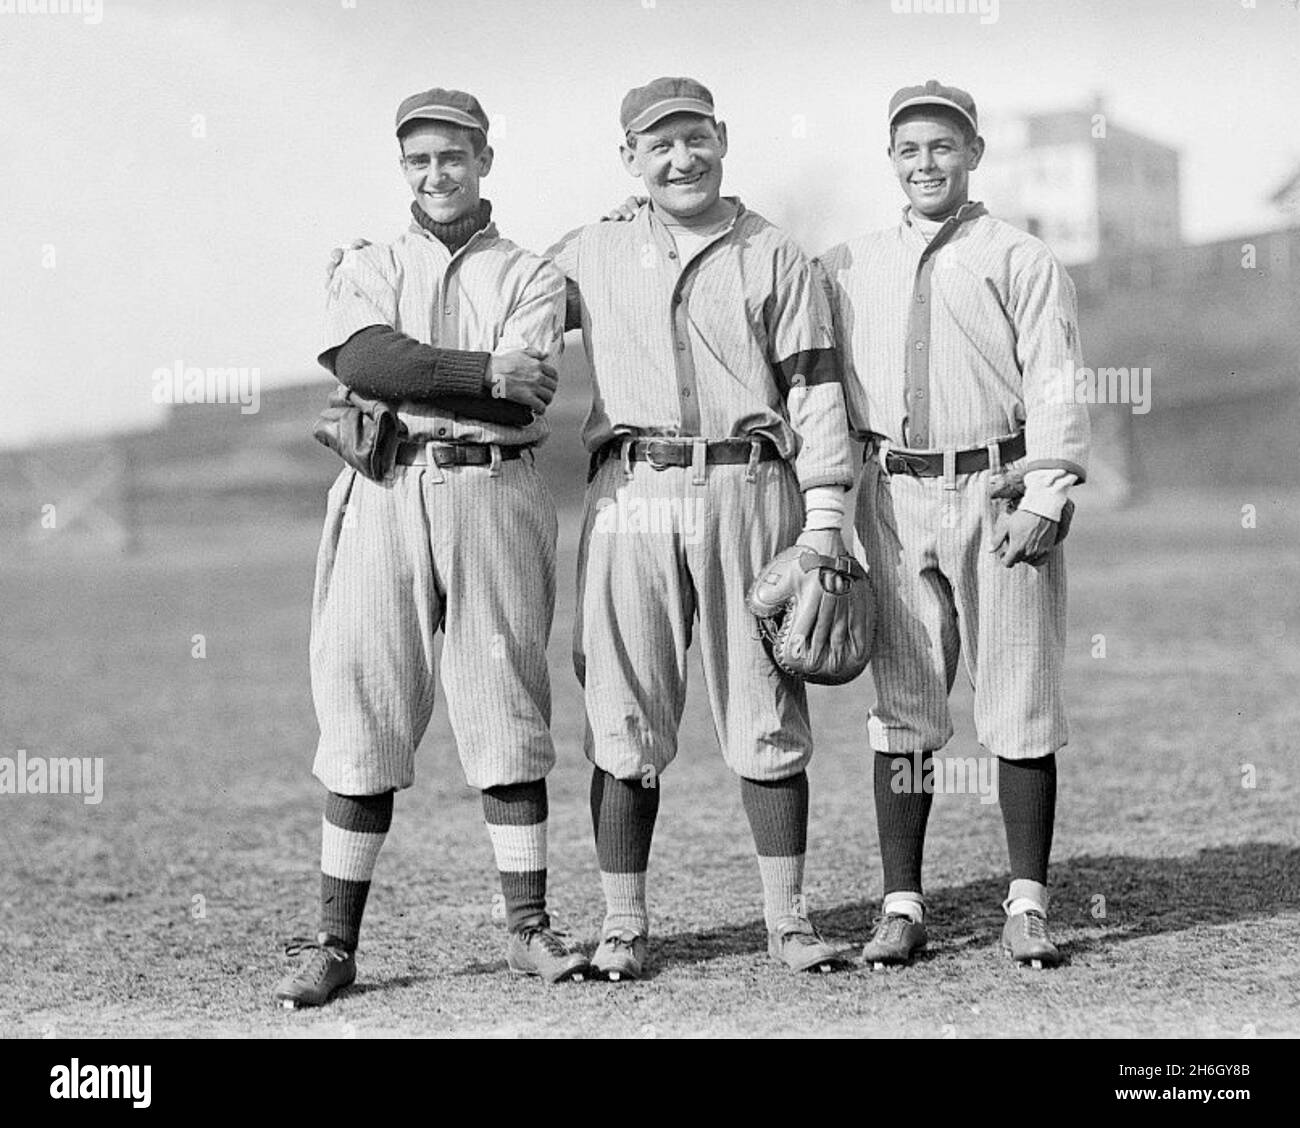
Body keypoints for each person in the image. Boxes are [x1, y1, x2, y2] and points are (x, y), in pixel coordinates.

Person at [275, 86, 586, 1008]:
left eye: (452, 156)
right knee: (362, 705)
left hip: (494, 490)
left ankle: (528, 928)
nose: (436, 174)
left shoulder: (530, 274)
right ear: (402, 168)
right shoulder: (368, 262)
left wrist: (464, 377)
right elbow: (367, 362)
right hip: (383, 488)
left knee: (505, 704)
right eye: (418, 160)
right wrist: (480, 366)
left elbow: (520, 398)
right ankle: (335, 943)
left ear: (484, 159)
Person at [547, 76, 858, 981]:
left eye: (695, 139)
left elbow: (818, 391)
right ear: (630, 161)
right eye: (658, 146)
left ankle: (787, 920)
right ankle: (622, 923)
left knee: (765, 707)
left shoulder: (774, 254)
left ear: (722, 138)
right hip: (633, 489)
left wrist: (825, 521)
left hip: (749, 487)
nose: (681, 159)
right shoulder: (589, 251)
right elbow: (502, 309)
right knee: (623, 712)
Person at [817, 80, 1090, 969]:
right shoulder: (847, 264)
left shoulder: (1020, 256)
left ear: (973, 153)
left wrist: (1048, 496)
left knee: (1016, 700)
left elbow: (1054, 380)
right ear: (890, 161)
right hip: (892, 498)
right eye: (908, 149)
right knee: (905, 708)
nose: (925, 163)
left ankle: (1026, 904)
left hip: (997, 488)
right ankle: (903, 906)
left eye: (942, 146)